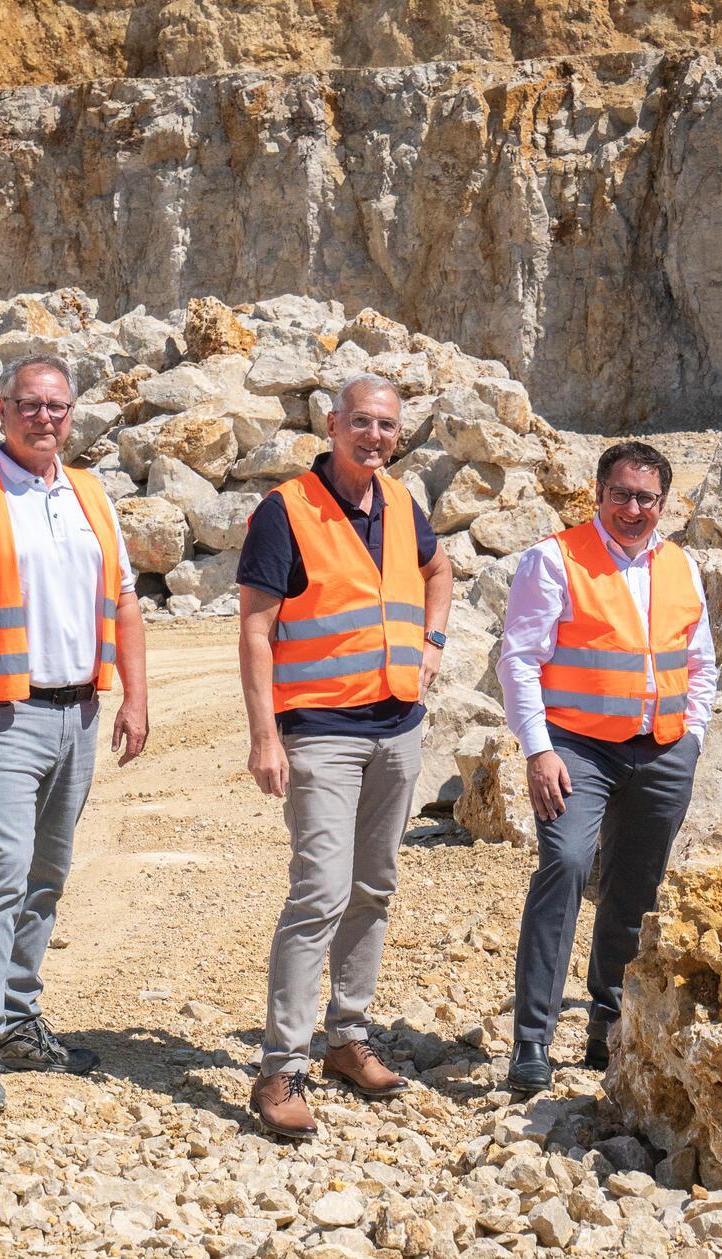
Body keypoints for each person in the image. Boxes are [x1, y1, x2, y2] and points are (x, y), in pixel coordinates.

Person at [0, 352, 150, 1114]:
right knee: (1, 869)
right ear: (2, 411)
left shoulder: (87, 493)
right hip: (3, 717)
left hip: (78, 711)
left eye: (57, 406)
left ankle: (16, 1020)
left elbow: (125, 601)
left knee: (46, 871)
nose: (45, 418)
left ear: (71, 413)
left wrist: (134, 697)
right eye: (29, 404)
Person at [237, 373, 454, 1140]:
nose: (374, 436)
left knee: (374, 885)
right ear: (332, 425)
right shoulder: (284, 511)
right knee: (320, 890)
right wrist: (265, 734)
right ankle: (281, 1067)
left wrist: (432, 642)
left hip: (397, 725)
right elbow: (256, 630)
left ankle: (348, 1037)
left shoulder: (400, 505)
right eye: (361, 422)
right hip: (320, 732)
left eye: (387, 425)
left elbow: (437, 569)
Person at [496, 441, 717, 1093]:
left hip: (662, 749)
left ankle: (607, 1024)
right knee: (563, 863)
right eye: (620, 493)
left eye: (646, 497)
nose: (633, 507)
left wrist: (694, 737)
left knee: (635, 889)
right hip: (576, 748)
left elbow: (700, 661)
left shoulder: (682, 565)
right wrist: (537, 748)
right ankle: (532, 1039)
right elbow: (519, 660)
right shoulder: (553, 559)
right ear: (598, 493)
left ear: (664, 504)